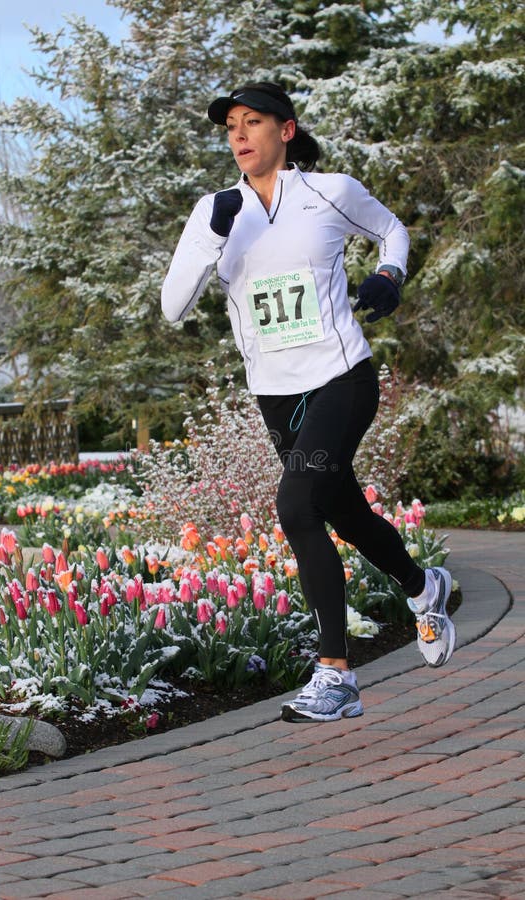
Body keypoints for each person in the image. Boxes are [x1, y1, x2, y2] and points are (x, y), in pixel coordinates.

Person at [161, 82, 455, 723]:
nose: (239, 135)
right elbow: (172, 307)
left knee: (295, 506)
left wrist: (390, 274)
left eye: (253, 122)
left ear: (285, 131)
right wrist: (213, 241)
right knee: (340, 511)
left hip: (341, 377)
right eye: (231, 126)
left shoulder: (331, 191)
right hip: (275, 393)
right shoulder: (214, 211)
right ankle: (422, 584)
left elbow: (392, 230)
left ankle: (336, 673)